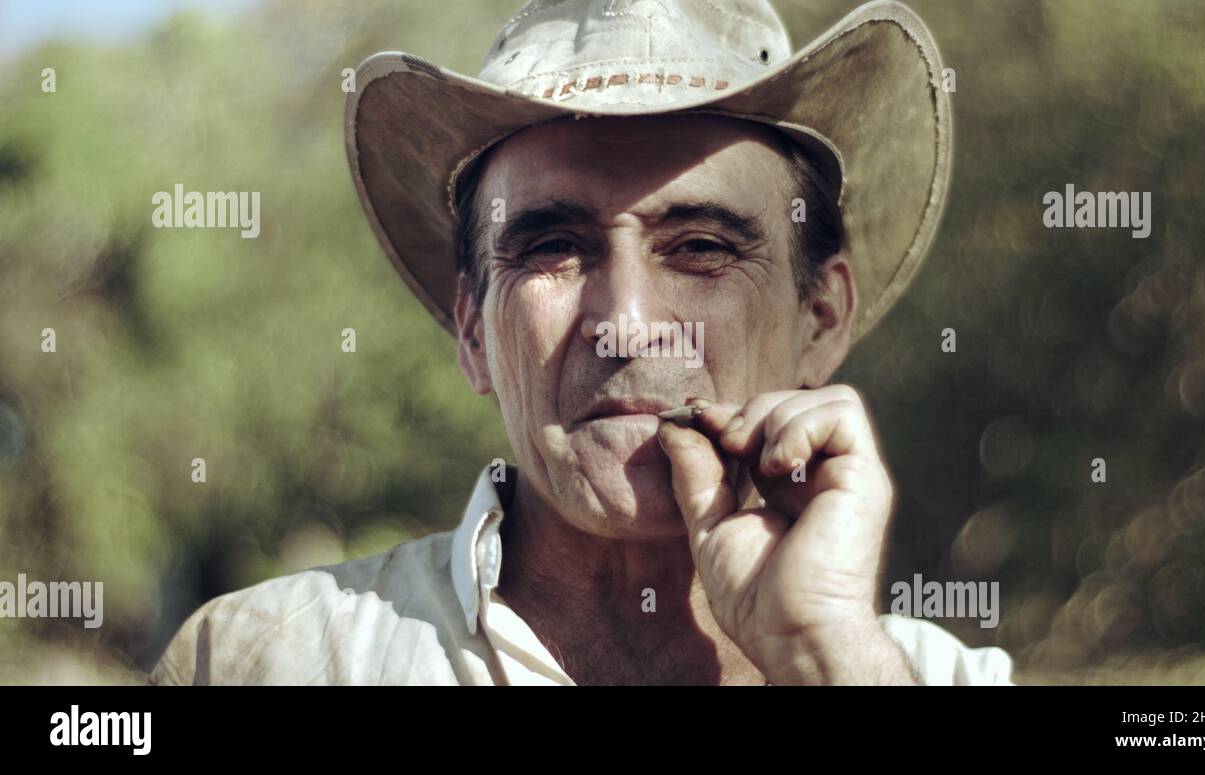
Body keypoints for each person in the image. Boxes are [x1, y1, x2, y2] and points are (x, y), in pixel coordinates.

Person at [150, 0, 1013, 685]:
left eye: (702, 248)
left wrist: (829, 660)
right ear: (474, 334)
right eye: (552, 247)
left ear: (820, 320)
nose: (629, 323)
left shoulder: (934, 676)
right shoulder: (270, 660)